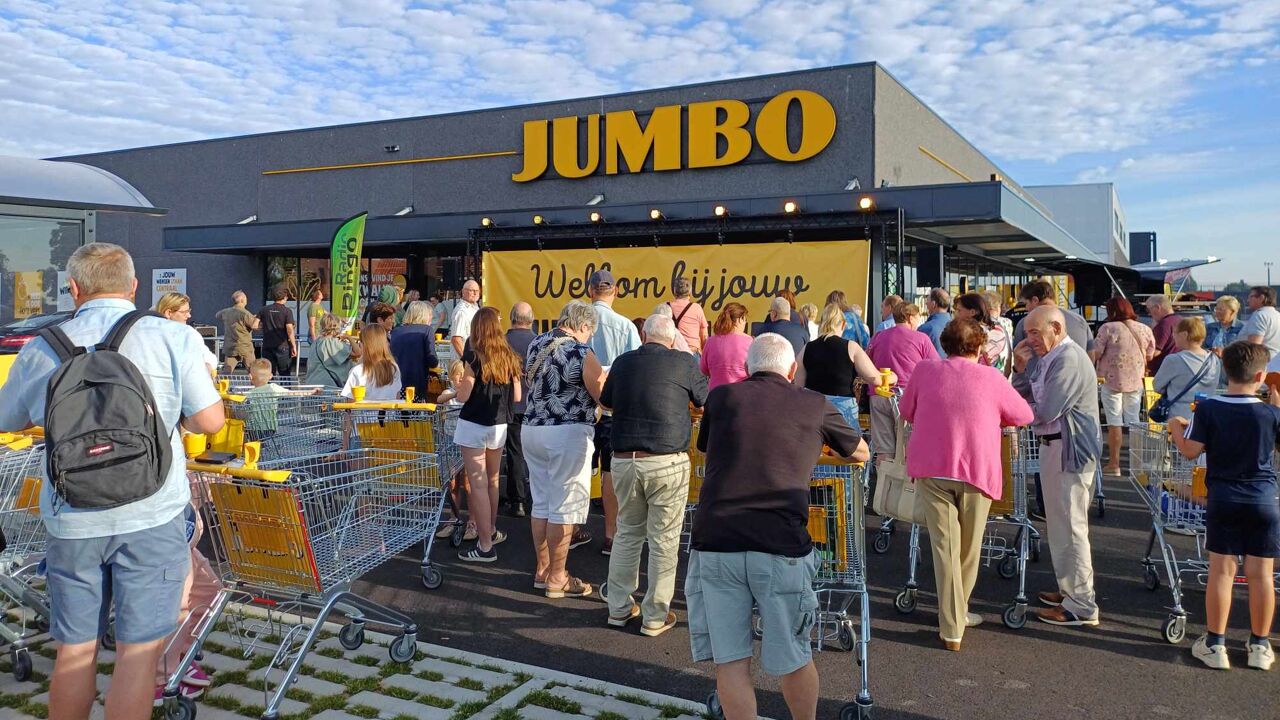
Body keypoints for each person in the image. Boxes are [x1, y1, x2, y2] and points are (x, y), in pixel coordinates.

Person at [0, 242, 224, 720]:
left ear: (74, 289)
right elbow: (209, 421)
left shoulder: (44, 344)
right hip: (153, 513)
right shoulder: (172, 337)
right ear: (135, 286)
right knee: (138, 656)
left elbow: (6, 417)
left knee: (74, 652)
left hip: (71, 519)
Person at [686, 334, 868, 720]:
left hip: (716, 539)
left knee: (731, 661)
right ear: (791, 370)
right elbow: (861, 452)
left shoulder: (722, 398)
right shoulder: (814, 404)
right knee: (794, 656)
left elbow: (706, 447)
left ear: (749, 368)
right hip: (781, 544)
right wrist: (817, 447)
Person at [900, 319, 1034, 650]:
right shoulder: (991, 377)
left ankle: (952, 624)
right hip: (977, 469)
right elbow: (1023, 415)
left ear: (944, 344)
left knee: (944, 549)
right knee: (969, 550)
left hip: (933, 467)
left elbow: (906, 411)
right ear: (978, 346)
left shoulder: (924, 371)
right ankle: (956, 616)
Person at [1170, 342, 1280, 671]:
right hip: (1263, 499)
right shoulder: (1270, 413)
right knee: (1262, 575)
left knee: (1222, 571)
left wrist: (1177, 428)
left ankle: (1215, 643)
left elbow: (1190, 451)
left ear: (1225, 370)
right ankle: (1260, 644)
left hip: (1223, 497)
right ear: (1260, 376)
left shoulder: (1209, 409)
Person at [601, 314, 708, 636]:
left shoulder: (622, 362)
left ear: (643, 335)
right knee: (664, 541)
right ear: (672, 337)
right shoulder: (684, 362)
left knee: (627, 534)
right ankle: (655, 616)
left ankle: (618, 608)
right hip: (667, 461)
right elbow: (704, 400)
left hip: (624, 459)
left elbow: (607, 402)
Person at [1013, 306, 1102, 627]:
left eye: (1035, 333)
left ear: (1056, 327)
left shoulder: (1068, 359)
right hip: (1058, 447)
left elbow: (1045, 410)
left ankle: (1080, 603)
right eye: (1027, 333)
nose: (1029, 339)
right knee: (1063, 524)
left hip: (1069, 449)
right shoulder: (1054, 357)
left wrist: (1013, 407)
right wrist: (1020, 369)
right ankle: (1072, 591)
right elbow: (1024, 395)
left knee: (1071, 525)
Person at [523, 301, 606, 598]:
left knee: (542, 502)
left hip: (532, 428)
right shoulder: (581, 352)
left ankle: (542, 570)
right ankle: (558, 577)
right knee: (565, 505)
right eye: (589, 332)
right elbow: (604, 397)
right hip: (567, 431)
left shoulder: (536, 343)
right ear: (583, 326)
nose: (589, 337)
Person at [454, 307, 523, 563]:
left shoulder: (474, 356)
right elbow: (517, 397)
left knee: (478, 484)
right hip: (500, 424)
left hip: (474, 423)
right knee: (493, 480)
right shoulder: (510, 356)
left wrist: (457, 388)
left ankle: (484, 546)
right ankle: (491, 531)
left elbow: (464, 395)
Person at [588, 269, 642, 556]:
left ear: (590, 291)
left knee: (578, 471)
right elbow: (635, 371)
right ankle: (611, 535)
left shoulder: (576, 323)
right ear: (616, 291)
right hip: (612, 411)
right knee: (610, 472)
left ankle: (570, 530)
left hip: (582, 409)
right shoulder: (626, 327)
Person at [793, 303, 893, 426]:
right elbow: (876, 379)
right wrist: (892, 377)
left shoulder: (806, 348)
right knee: (853, 445)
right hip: (843, 411)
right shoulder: (851, 347)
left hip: (814, 408)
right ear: (843, 325)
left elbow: (799, 385)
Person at [1090, 296, 1156, 476]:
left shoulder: (1108, 328)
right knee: (1134, 421)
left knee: (1114, 422)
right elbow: (1150, 354)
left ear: (1112, 311)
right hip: (1136, 380)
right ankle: (1136, 466)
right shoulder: (1145, 329)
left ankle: (1114, 464)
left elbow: (1096, 352)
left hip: (1110, 380)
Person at [867, 302, 938, 462]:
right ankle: (906, 486)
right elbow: (935, 367)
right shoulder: (921, 339)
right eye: (918, 317)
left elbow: (866, 361)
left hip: (878, 394)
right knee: (907, 448)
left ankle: (884, 486)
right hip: (907, 397)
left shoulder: (878, 336)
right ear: (910, 317)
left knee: (884, 451)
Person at [1154, 316, 1222, 424]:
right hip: (1206, 415)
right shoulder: (1214, 359)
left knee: (1177, 441)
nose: (1173, 336)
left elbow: (1157, 386)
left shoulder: (1174, 360)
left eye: (1175, 333)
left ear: (1185, 334)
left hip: (1178, 417)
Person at [503, 302, 537, 517]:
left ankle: (518, 501)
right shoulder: (539, 342)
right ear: (531, 320)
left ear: (511, 317)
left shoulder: (503, 342)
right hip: (534, 405)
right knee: (535, 455)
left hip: (510, 404)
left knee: (515, 453)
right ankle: (533, 498)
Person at [156, 292, 218, 374]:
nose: (189, 316)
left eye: (189, 311)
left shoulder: (190, 333)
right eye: (184, 312)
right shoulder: (152, 334)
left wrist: (208, 365)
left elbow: (208, 356)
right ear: (168, 313)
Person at [390, 300, 439, 400]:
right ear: (424, 315)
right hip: (417, 382)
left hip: (397, 383)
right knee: (417, 414)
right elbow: (432, 360)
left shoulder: (396, 331)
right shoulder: (426, 330)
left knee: (402, 414)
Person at [340, 324, 403, 401]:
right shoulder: (394, 368)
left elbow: (350, 401)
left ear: (363, 345)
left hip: (362, 412)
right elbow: (397, 396)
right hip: (388, 412)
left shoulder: (357, 371)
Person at [954, 292, 1011, 375]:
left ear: (972, 312)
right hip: (999, 381)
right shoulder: (998, 328)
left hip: (983, 381)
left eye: (959, 311)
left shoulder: (975, 333)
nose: (956, 315)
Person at [701, 302, 752, 390]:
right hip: (740, 393)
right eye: (745, 320)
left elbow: (703, 369)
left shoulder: (711, 341)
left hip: (715, 394)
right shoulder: (750, 341)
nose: (745, 324)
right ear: (740, 319)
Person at [306, 314, 359, 389]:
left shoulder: (316, 342)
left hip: (311, 385)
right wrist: (349, 337)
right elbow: (357, 353)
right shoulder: (333, 343)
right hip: (328, 387)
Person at [257, 285, 297, 376]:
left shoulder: (264, 309)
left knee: (269, 374)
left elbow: (254, 325)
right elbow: (289, 330)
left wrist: (264, 326)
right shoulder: (287, 311)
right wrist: (293, 346)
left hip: (267, 346)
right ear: (284, 297)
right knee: (285, 374)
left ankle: (270, 389)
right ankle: (285, 390)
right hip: (282, 346)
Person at [215, 290, 258, 371]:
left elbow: (217, 315)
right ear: (242, 300)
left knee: (226, 372)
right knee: (253, 371)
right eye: (246, 298)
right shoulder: (245, 313)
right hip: (245, 347)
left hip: (230, 347)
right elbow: (254, 326)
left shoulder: (225, 312)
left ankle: (222, 383)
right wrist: (256, 318)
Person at [666, 277, 709, 356]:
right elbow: (704, 335)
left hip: (670, 353)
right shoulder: (696, 308)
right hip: (691, 352)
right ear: (690, 292)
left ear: (674, 291)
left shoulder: (665, 307)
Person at [1145, 294, 1180, 375]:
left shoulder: (1164, 325)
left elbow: (1154, 352)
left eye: (1148, 310)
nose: (1149, 314)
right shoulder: (1180, 320)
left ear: (1157, 307)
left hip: (1161, 371)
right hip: (1177, 369)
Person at [1244, 285, 1280, 359]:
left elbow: (1254, 348)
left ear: (1261, 298)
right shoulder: (1277, 315)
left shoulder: (1259, 315)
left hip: (1262, 365)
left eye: (1251, 296)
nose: (1248, 300)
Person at [451, 280, 482, 357]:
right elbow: (456, 339)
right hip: (462, 361)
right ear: (463, 292)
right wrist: (465, 360)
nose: (475, 293)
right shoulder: (461, 311)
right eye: (472, 290)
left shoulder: (475, 307)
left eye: (477, 291)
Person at [918, 288, 952, 357]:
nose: (926, 303)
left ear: (934, 304)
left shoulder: (926, 328)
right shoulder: (958, 326)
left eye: (928, 300)